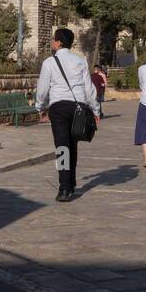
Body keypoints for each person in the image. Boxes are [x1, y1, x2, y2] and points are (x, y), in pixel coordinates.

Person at [34, 28, 101, 202]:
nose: (51, 42)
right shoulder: (81, 61)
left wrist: (40, 106)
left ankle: (64, 188)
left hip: (58, 108)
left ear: (58, 42)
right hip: (78, 106)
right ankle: (71, 183)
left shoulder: (49, 62)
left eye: (53, 39)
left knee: (62, 147)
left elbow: (42, 89)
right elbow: (89, 88)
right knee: (73, 144)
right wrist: (95, 109)